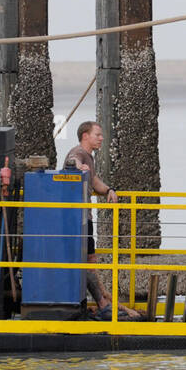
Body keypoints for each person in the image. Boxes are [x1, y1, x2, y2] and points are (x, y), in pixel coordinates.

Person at [63, 121, 118, 312]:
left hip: (85, 218)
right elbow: (72, 161)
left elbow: (94, 181)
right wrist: (78, 166)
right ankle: (102, 302)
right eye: (98, 135)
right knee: (84, 261)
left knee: (90, 259)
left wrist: (109, 190)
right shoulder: (79, 153)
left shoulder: (90, 158)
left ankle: (100, 299)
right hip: (75, 219)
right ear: (85, 136)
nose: (101, 138)